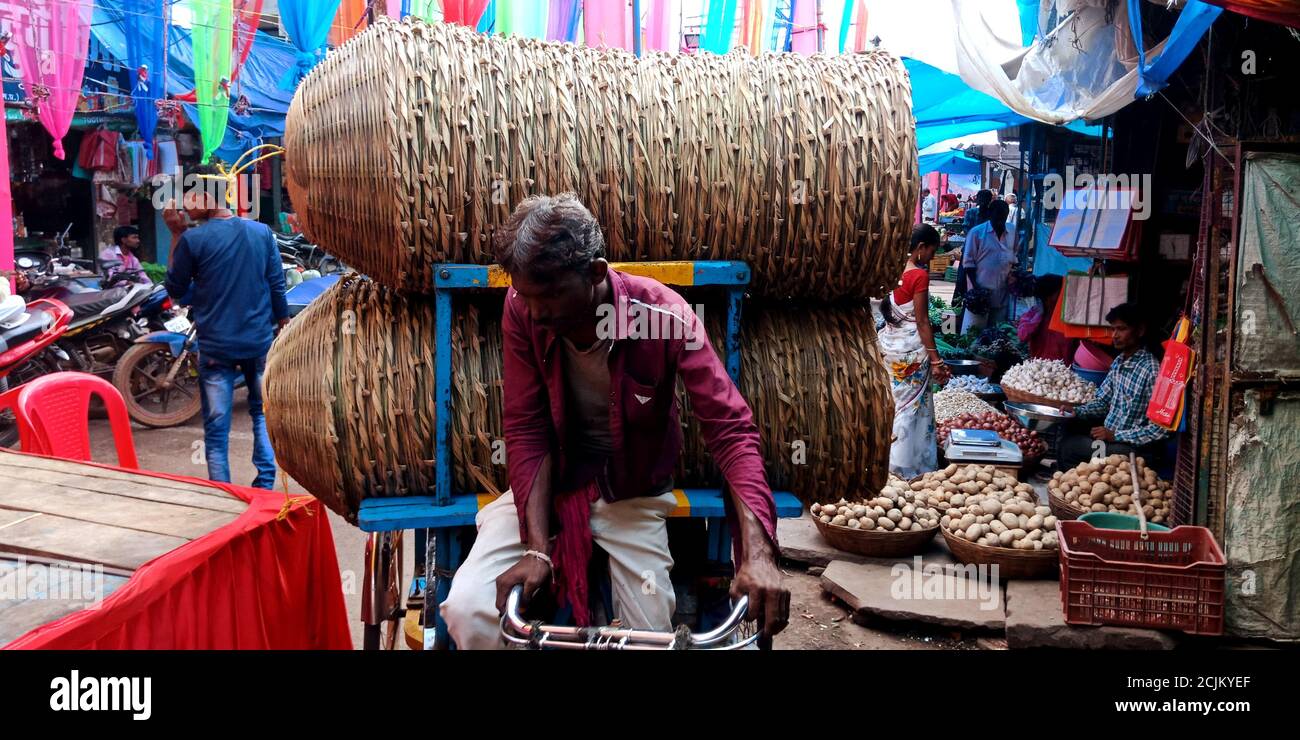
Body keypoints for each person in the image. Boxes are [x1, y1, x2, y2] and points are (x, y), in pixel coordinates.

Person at [440, 193, 788, 648]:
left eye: (550, 295)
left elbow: (730, 429)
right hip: (553, 486)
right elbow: (526, 428)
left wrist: (760, 555)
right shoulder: (522, 309)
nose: (538, 312)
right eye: (527, 296)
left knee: (651, 637)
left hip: (631, 491)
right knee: (469, 609)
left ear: (596, 273)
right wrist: (535, 548)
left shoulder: (663, 315)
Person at [163, 165, 288, 490]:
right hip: (258, 342)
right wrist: (283, 324)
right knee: (262, 415)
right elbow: (276, 285)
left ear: (207, 196)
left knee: (217, 426)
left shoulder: (193, 240)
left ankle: (223, 494)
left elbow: (176, 289)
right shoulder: (261, 233)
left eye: (190, 196)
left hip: (216, 348)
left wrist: (175, 235)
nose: (185, 205)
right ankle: (265, 487)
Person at [878, 224, 951, 478]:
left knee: (896, 405)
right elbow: (921, 322)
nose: (932, 257)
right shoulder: (918, 276)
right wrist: (935, 358)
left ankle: (886, 463)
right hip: (911, 352)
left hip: (890, 348)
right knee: (910, 409)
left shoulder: (890, 270)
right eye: (932, 251)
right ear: (921, 248)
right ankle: (904, 468)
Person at [1058, 303, 1167, 470]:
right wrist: (1077, 411)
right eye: (1113, 329)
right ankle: (1083, 479)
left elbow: (1160, 430)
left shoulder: (1151, 370)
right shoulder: (1119, 362)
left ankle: (1092, 474)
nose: (1114, 335)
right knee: (1068, 430)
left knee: (1071, 448)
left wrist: (1115, 435)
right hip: (1108, 441)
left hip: (1131, 449)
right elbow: (1103, 401)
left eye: (1121, 329)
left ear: (1140, 331)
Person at [960, 198, 1017, 334]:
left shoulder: (1012, 231)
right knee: (973, 333)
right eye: (997, 216)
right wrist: (977, 289)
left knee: (996, 334)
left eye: (1003, 217)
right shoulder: (977, 233)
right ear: (990, 214)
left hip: (1001, 294)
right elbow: (968, 264)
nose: (1000, 221)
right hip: (979, 294)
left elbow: (1014, 255)